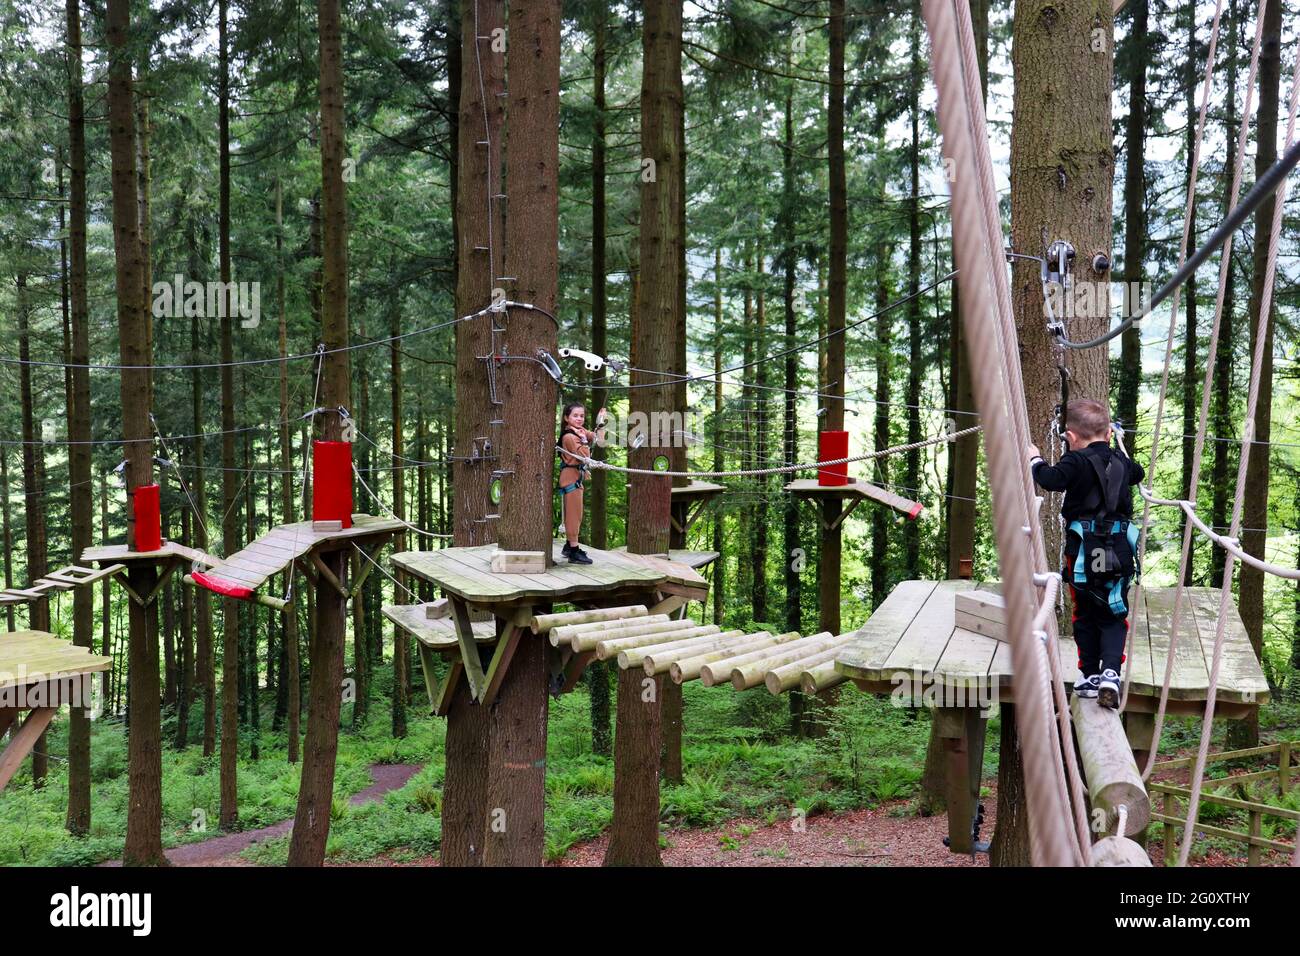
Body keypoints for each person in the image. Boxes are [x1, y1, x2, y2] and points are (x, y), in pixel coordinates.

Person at [1028, 398, 1144, 709]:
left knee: (1084, 611)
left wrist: (1035, 459)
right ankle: (1110, 673)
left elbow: (1049, 479)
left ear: (1071, 437)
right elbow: (1138, 472)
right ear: (1108, 434)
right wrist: (1114, 448)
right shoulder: (1120, 460)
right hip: (1118, 549)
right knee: (1113, 612)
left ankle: (1090, 674)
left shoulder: (1074, 462)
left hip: (1083, 550)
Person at [557, 402, 606, 565]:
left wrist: (601, 422)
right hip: (570, 478)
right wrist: (584, 440)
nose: (579, 419)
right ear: (566, 418)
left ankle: (569, 546)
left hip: (576, 476)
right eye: (575, 416)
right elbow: (585, 455)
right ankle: (574, 550)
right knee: (574, 514)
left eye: (582, 416)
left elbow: (600, 440)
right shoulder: (569, 436)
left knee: (577, 513)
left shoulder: (580, 431)